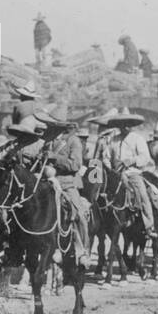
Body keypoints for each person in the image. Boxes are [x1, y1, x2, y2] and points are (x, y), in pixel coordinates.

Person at [46, 112, 90, 265]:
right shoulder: (48, 140)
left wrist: (54, 158)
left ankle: (84, 251)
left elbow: (76, 165)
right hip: (47, 181)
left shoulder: (73, 141)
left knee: (80, 215)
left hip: (66, 183)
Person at [104, 109, 154, 228]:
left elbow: (145, 157)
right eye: (122, 124)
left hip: (132, 173)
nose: (125, 127)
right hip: (115, 174)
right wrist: (110, 167)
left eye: (128, 124)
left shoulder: (138, 139)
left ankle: (149, 224)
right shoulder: (113, 140)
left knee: (142, 195)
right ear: (119, 126)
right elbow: (106, 156)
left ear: (131, 125)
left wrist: (132, 160)